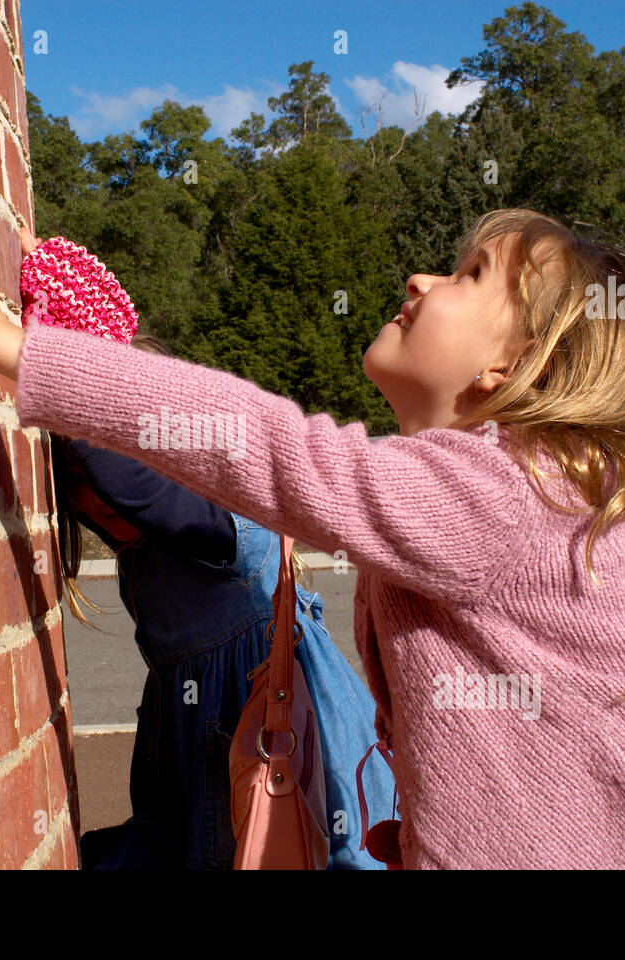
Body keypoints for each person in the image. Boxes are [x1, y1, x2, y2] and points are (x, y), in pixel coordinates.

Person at [0, 166, 625, 867]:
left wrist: (4, 342)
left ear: (510, 367)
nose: (417, 277)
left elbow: (269, 448)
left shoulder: (515, 495)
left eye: (468, 273)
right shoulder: (494, 499)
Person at [51, 334, 393, 870]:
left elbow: (129, 483)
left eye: (124, 457)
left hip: (270, 740)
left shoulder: (213, 519)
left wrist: (58, 346)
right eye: (75, 479)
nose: (99, 494)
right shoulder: (141, 553)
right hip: (195, 753)